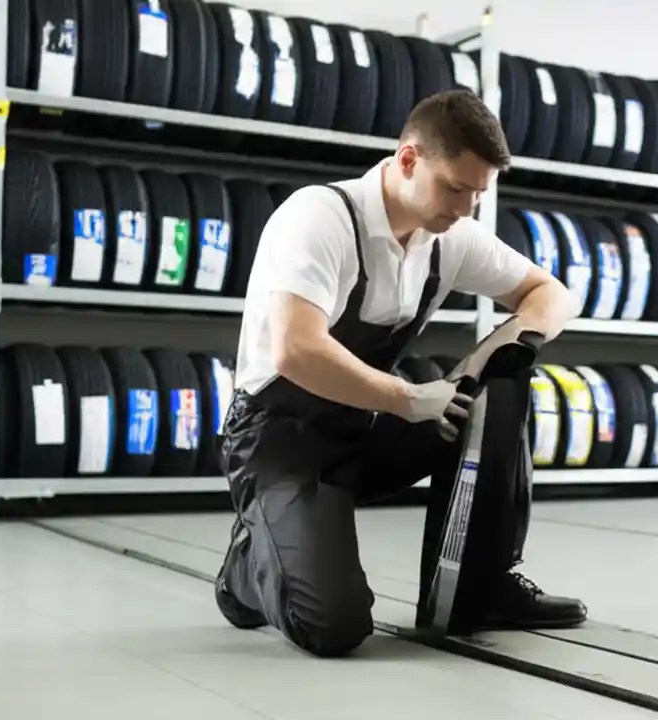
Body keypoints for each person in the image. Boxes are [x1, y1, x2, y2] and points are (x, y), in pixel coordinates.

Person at [214, 89, 587, 658]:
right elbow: (294, 349)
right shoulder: (320, 217)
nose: (466, 209)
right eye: (456, 189)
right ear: (409, 160)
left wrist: (488, 358)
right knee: (333, 627)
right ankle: (246, 568)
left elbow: (551, 295)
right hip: (277, 439)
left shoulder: (449, 235)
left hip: (361, 428)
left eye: (478, 194)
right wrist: (409, 399)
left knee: (501, 387)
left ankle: (485, 585)